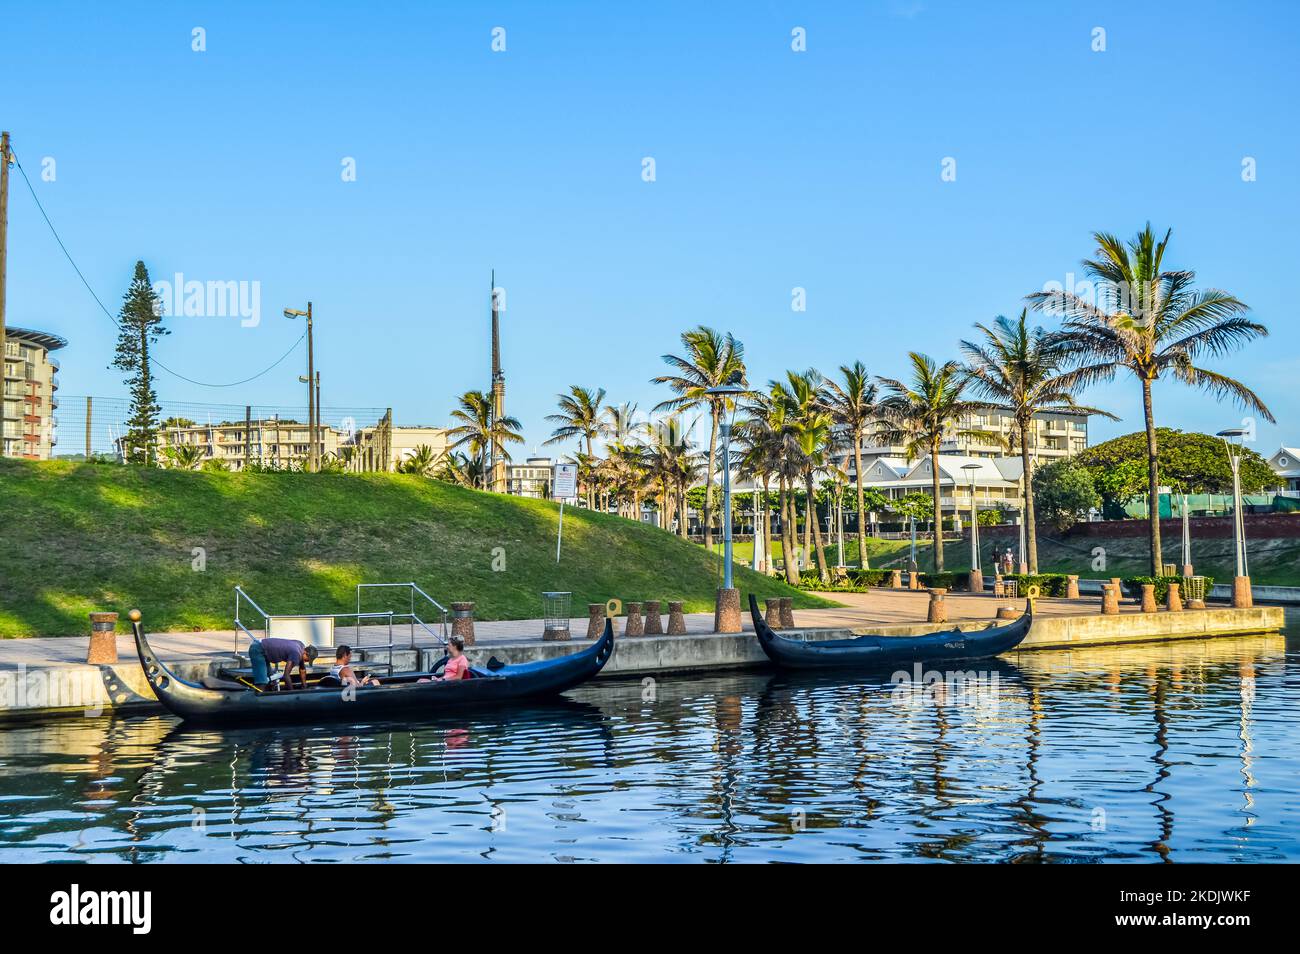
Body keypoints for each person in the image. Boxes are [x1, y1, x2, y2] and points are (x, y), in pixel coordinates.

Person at [249, 637, 317, 690]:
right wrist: (293, 693)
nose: (306, 662)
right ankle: (257, 699)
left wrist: (304, 686)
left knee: (272, 681)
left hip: (263, 648)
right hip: (258, 650)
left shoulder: (301, 646)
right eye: (307, 660)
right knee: (262, 682)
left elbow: (302, 669)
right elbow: (286, 675)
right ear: (305, 653)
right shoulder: (296, 653)